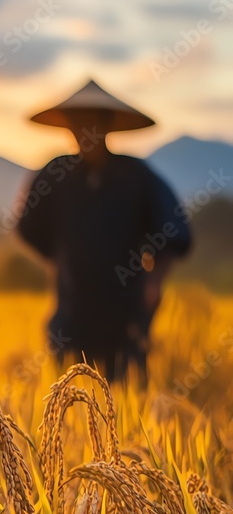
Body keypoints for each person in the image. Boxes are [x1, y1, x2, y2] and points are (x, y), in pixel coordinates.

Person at [16, 79, 191, 381]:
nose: (85, 132)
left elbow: (173, 232)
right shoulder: (56, 175)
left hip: (124, 314)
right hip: (72, 314)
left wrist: (154, 281)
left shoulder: (136, 176)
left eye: (93, 123)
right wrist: (59, 259)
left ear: (109, 125)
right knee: (67, 398)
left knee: (122, 399)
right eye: (78, 124)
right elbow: (28, 227)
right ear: (68, 128)